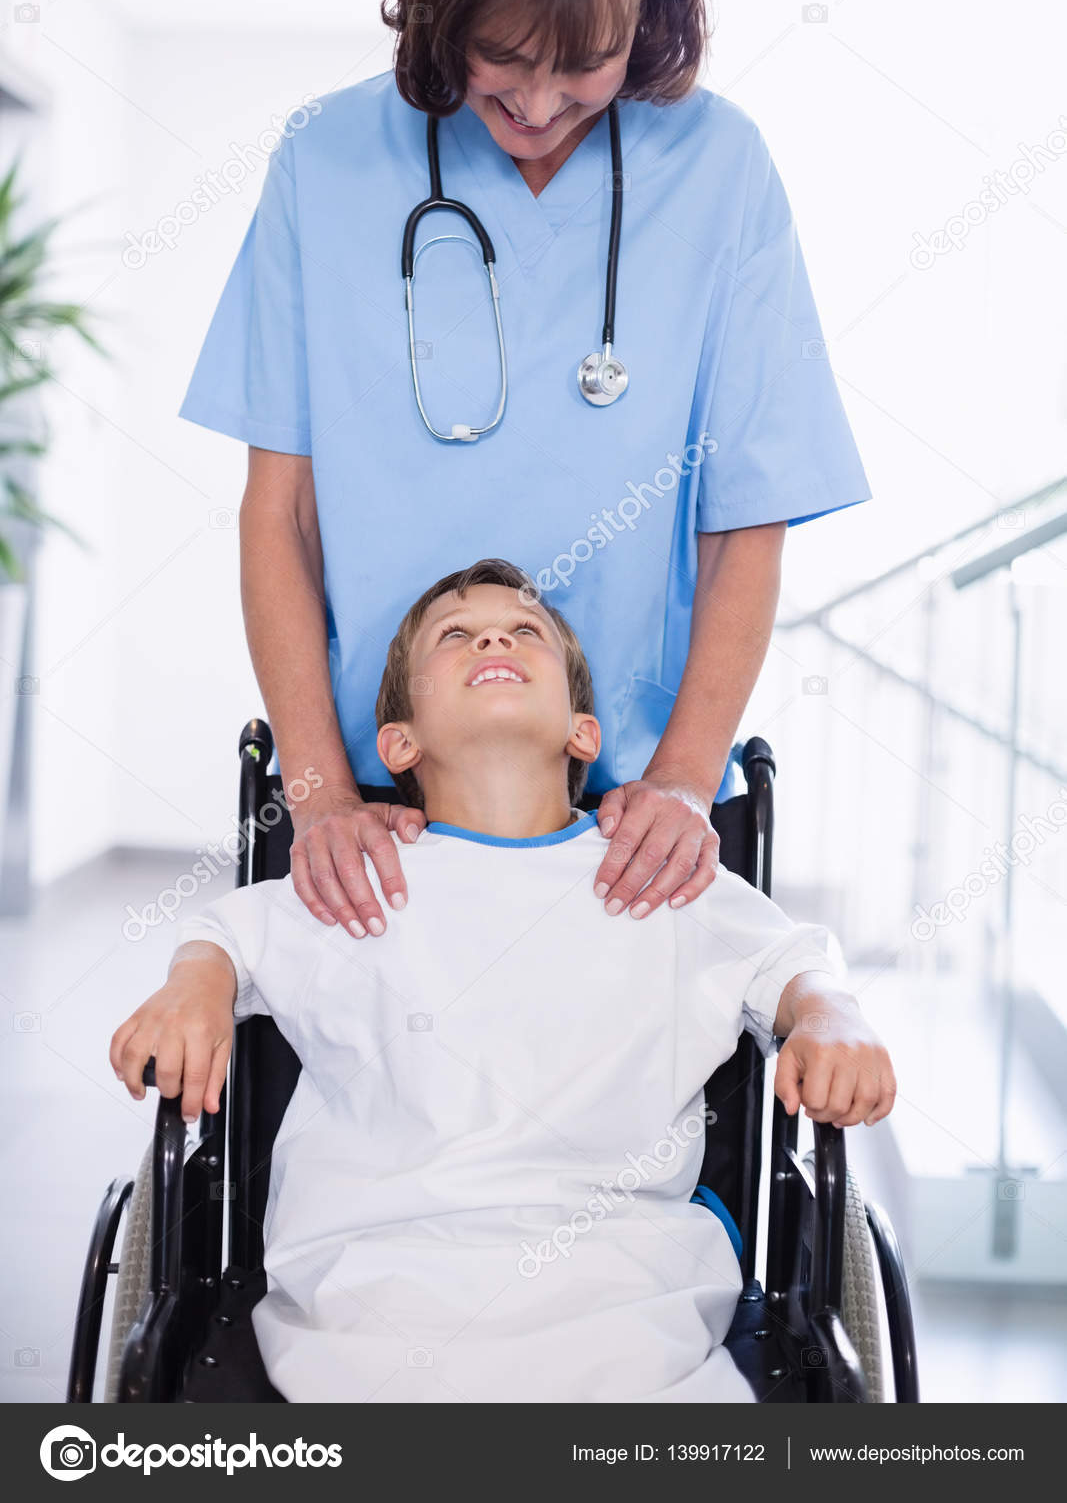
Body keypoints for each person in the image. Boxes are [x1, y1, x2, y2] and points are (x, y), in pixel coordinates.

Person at [177, 0, 871, 946]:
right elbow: (280, 509)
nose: (539, 107)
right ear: (439, 9)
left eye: (583, 66)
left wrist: (685, 785)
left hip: (622, 816)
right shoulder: (326, 159)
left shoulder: (719, 166)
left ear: (649, 25)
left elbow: (745, 514)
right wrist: (319, 796)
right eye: (501, 59)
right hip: (381, 804)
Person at [110, 559, 896, 1405]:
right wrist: (194, 985)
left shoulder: (661, 873)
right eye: (457, 635)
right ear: (398, 744)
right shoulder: (356, 872)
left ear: (583, 733)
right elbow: (226, 935)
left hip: (620, 1282)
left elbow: (791, 962)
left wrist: (828, 1013)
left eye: (527, 632)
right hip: (378, 1278)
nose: (494, 636)